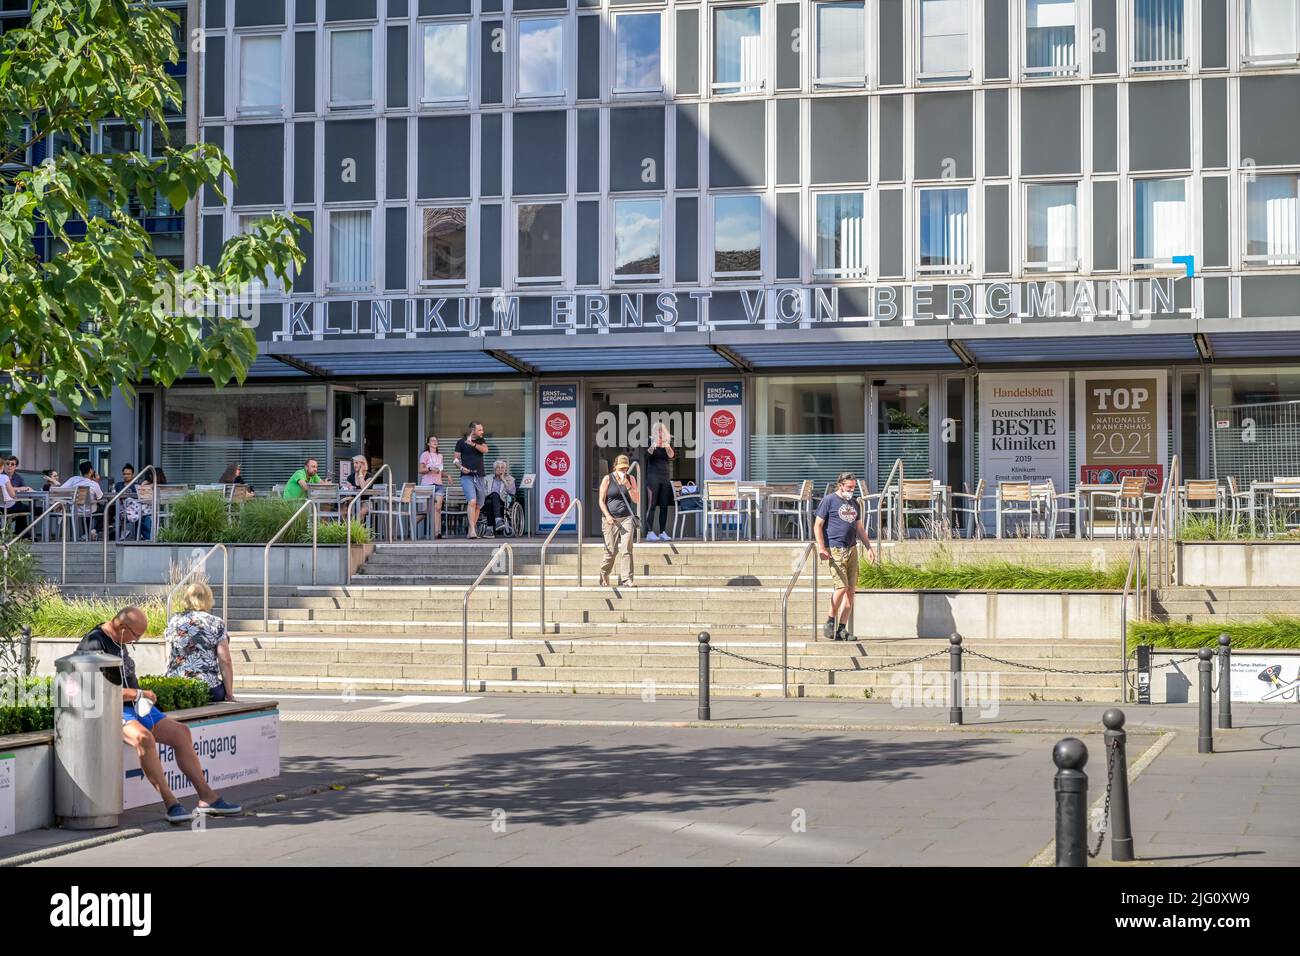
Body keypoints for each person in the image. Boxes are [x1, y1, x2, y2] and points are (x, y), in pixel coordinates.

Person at [76, 606, 242, 824]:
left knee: (181, 733)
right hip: (110, 709)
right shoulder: (94, 644)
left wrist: (138, 696)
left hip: (135, 704)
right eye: (136, 636)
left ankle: (207, 797)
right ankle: (171, 803)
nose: (135, 642)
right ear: (123, 627)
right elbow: (95, 690)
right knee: (144, 738)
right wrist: (138, 693)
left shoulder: (121, 638)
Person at [813, 471, 877, 642]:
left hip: (852, 548)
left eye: (853, 488)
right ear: (840, 485)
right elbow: (817, 525)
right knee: (841, 587)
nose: (851, 490)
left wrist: (869, 547)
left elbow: (859, 528)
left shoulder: (855, 503)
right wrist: (821, 547)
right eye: (849, 487)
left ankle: (842, 628)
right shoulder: (829, 500)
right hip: (836, 549)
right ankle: (830, 621)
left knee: (850, 591)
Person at [164, 582, 235, 704]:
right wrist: (229, 694)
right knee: (218, 690)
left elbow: (168, 656)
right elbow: (225, 661)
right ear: (208, 599)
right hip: (207, 687)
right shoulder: (216, 622)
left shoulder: (174, 620)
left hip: (176, 684)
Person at [598, 454, 640, 588]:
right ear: (615, 467)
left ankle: (626, 579)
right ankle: (604, 573)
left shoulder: (631, 478)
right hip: (610, 519)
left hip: (626, 517)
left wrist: (628, 486)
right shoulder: (607, 479)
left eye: (625, 468)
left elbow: (636, 499)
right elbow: (601, 500)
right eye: (621, 468)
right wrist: (607, 515)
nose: (623, 471)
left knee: (626, 548)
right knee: (611, 550)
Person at [454, 421, 488, 539]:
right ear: (472, 430)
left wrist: (473, 444)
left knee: (479, 504)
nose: (482, 432)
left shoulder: (481, 441)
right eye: (480, 430)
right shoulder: (460, 442)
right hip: (466, 477)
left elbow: (485, 450)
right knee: (472, 502)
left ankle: (470, 529)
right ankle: (473, 529)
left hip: (480, 476)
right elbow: (456, 460)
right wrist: (461, 468)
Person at [644, 422, 676, 542]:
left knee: (664, 504)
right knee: (652, 504)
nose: (660, 433)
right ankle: (649, 532)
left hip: (665, 475)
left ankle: (662, 532)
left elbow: (672, 456)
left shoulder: (668, 441)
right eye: (657, 430)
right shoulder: (650, 440)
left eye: (662, 430)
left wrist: (667, 446)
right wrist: (652, 446)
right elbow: (646, 457)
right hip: (653, 475)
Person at [61, 461, 105, 539]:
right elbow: (100, 497)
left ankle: (87, 534)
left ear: (80, 471)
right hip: (89, 510)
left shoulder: (74, 479)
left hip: (74, 509)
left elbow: (62, 489)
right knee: (105, 509)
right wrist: (96, 481)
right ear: (91, 471)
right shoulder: (94, 484)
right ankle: (94, 531)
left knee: (85, 507)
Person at [417, 435, 446, 539]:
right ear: (428, 443)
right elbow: (420, 470)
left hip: (439, 484)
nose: (435, 442)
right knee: (426, 510)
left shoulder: (440, 456)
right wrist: (430, 469)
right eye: (432, 440)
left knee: (438, 509)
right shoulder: (425, 454)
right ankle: (412, 522)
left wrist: (447, 475)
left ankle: (437, 533)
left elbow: (440, 472)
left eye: (436, 440)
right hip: (427, 485)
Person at [481, 459, 516, 538]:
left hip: (503, 502)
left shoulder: (510, 479)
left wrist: (504, 480)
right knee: (491, 498)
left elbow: (512, 492)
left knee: (495, 495)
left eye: (502, 468)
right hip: (488, 500)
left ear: (505, 469)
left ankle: (490, 529)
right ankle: (498, 521)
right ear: (494, 469)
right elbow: (483, 491)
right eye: (498, 467)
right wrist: (491, 494)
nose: (500, 469)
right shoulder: (487, 478)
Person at [113, 463, 144, 541]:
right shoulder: (118, 485)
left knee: (140, 514)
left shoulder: (137, 485)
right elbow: (113, 495)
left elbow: (141, 498)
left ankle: (137, 536)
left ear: (133, 475)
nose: (126, 476)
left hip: (134, 509)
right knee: (111, 511)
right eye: (124, 474)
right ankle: (119, 534)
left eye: (128, 474)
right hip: (120, 508)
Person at [341, 454, 370, 523]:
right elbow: (347, 490)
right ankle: (348, 530)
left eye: (356, 463)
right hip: (352, 501)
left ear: (363, 464)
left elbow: (363, 487)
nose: (354, 465)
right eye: (354, 463)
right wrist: (349, 487)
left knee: (360, 513)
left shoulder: (369, 476)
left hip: (365, 502)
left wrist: (360, 473)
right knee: (343, 512)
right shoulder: (350, 477)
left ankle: (358, 532)